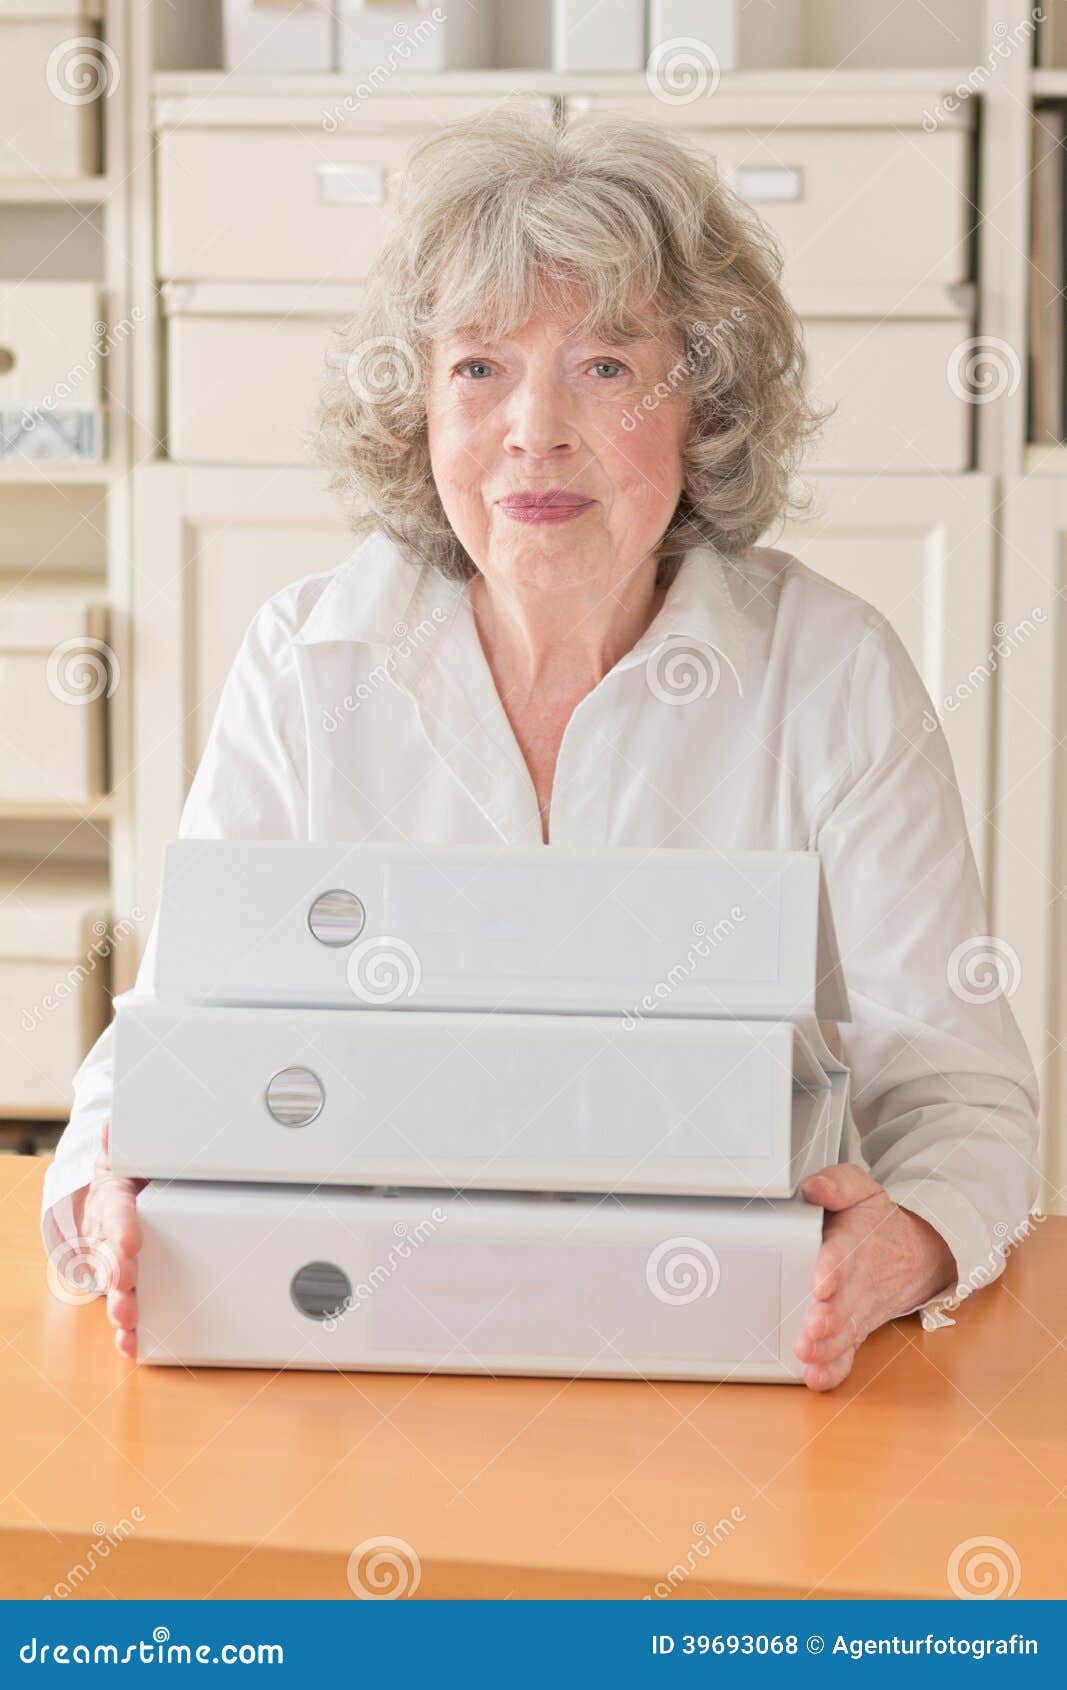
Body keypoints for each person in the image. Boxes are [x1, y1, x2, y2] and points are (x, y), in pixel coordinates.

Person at [42, 106, 1040, 1391]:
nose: (534, 430)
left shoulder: (831, 669)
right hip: (364, 1343)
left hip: (726, 1345)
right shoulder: (308, 659)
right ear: (418, 408)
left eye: (607, 367)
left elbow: (961, 1095)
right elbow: (173, 1047)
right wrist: (109, 1194)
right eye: (477, 368)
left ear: (705, 404)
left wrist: (900, 1243)